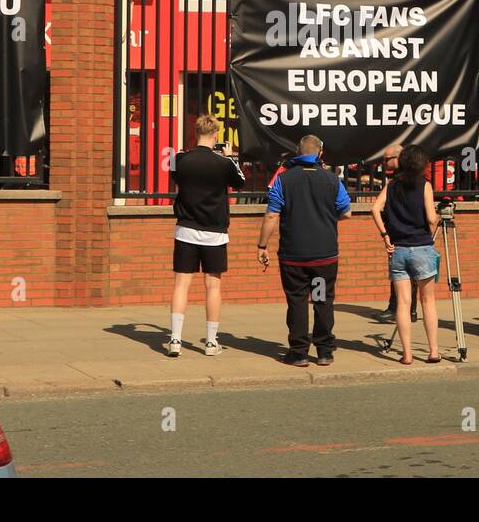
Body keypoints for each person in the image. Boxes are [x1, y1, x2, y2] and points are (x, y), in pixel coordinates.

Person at [256, 135, 351, 366]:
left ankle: (298, 352)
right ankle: (324, 351)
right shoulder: (332, 180)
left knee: (297, 301)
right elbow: (346, 212)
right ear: (320, 153)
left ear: (298, 152)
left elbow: (271, 215)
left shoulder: (284, 180)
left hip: (294, 256)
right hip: (324, 256)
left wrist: (262, 245)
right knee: (321, 300)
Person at [166, 114, 246, 358]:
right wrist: (230, 157)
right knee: (213, 286)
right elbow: (240, 182)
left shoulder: (179, 159)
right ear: (216, 135)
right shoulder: (223, 163)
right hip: (214, 233)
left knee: (181, 284)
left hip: (186, 228)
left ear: (196, 132)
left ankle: (175, 340)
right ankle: (211, 343)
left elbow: (174, 176)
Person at [371, 144, 441, 365]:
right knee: (427, 301)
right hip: (421, 247)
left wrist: (385, 235)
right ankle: (433, 351)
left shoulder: (392, 185)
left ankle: (407, 354)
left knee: (402, 303)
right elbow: (431, 218)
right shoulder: (425, 185)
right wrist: (438, 219)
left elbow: (375, 208)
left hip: (398, 249)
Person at [374, 145, 417, 325]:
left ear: (398, 158)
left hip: (401, 234)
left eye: (387, 159)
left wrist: (385, 233)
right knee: (409, 273)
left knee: (399, 272)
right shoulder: (414, 179)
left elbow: (376, 208)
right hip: (409, 234)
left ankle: (397, 308)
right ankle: (409, 309)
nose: (384, 163)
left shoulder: (398, 183)